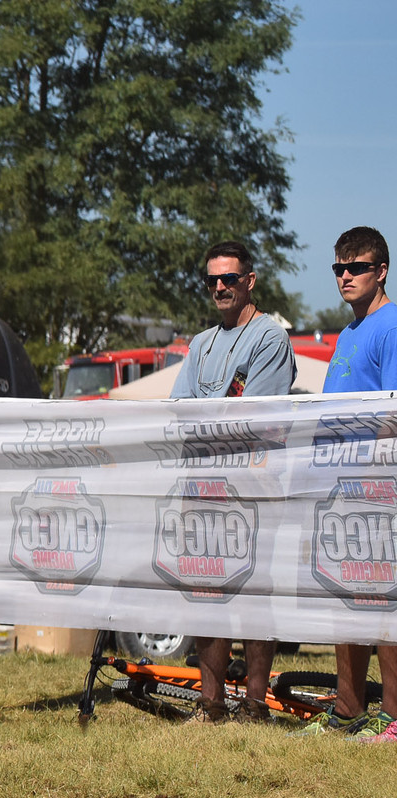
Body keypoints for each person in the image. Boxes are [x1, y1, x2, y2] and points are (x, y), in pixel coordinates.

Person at [169, 240, 296, 723]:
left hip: (253, 490)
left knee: (256, 593)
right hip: (201, 490)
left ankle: (256, 704)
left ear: (250, 281)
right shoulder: (200, 343)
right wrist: (212, 420)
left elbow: (256, 422)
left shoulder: (269, 338)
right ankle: (211, 704)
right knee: (205, 591)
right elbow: (180, 413)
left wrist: (209, 422)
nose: (220, 287)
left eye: (229, 278)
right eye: (212, 280)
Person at [313, 226, 397, 742]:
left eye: (357, 267)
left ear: (381, 271)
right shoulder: (347, 334)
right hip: (342, 487)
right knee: (348, 598)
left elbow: (393, 413)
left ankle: (393, 717)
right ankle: (348, 711)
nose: (345, 277)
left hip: (381, 486)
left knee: (386, 601)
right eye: (339, 269)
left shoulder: (391, 325)